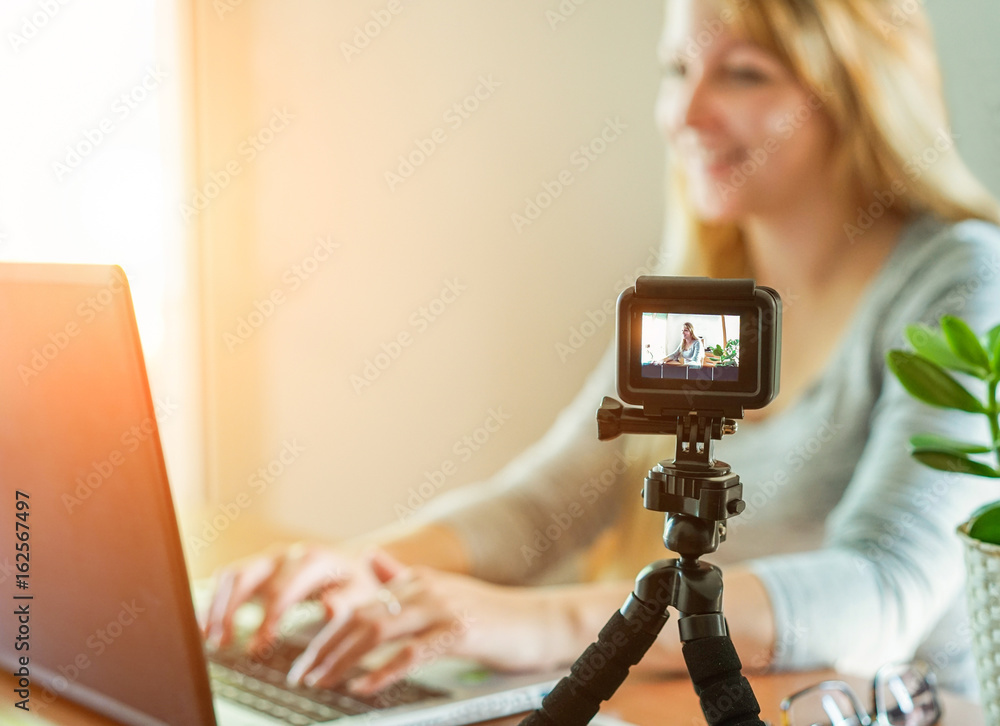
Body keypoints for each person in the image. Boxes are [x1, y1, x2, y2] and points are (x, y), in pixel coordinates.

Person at [202, 0, 1000, 699]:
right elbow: (546, 506)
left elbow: (885, 590)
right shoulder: (704, 289)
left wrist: (531, 624)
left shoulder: (958, 274)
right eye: (677, 67)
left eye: (744, 73)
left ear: (852, 87)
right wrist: (367, 568)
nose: (685, 114)